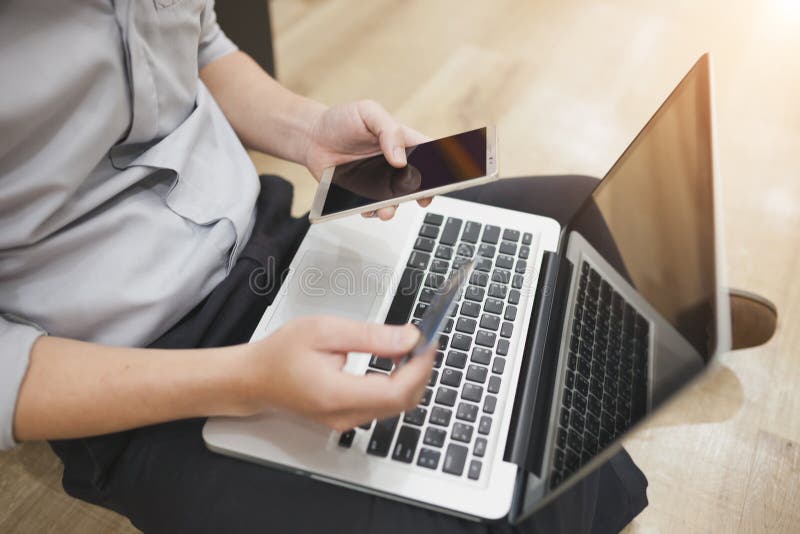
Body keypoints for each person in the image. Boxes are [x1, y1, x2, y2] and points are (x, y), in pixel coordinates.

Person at [0, 1, 647, 532]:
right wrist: (245, 382)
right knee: (489, 488)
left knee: (580, 221)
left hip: (273, 242)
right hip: (136, 375)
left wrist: (308, 129)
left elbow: (198, 47)